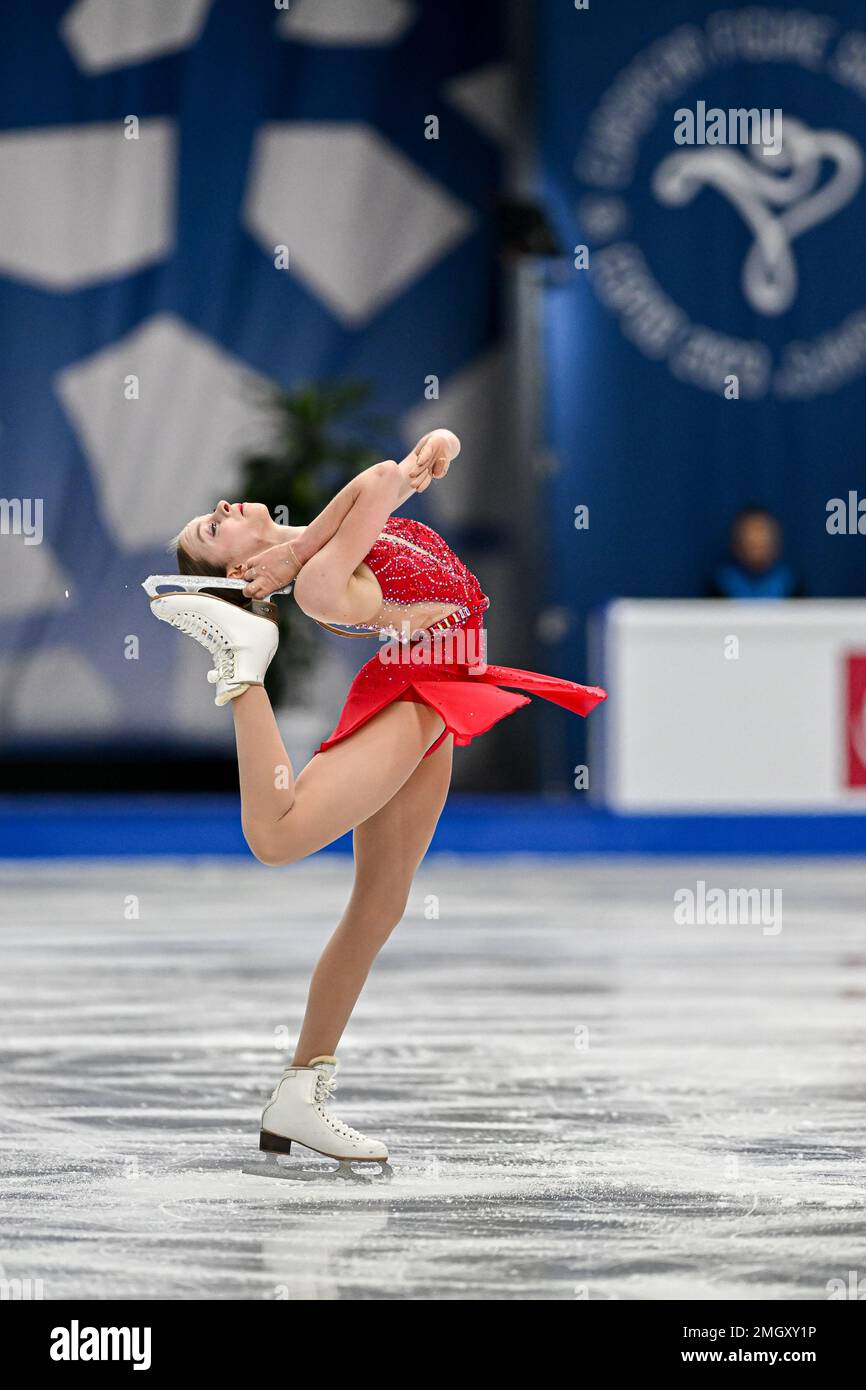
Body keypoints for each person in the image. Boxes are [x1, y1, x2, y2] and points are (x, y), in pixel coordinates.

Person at [150, 428, 606, 1172]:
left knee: (380, 903)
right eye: (213, 524)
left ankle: (302, 1089)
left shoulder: (322, 541)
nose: (225, 504)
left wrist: (433, 453)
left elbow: (390, 476)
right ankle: (242, 663)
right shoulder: (319, 577)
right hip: (417, 692)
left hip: (440, 690)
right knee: (279, 834)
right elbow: (371, 483)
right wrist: (317, 542)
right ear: (239, 567)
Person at [708, 506, 802, 599]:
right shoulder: (720, 586)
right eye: (750, 540)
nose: (757, 541)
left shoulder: (792, 586)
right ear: (736, 543)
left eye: (763, 536)